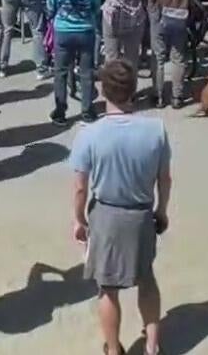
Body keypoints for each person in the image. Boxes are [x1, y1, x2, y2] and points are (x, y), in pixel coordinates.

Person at [70, 59, 172, 355]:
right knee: (147, 279)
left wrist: (78, 220)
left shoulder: (89, 134)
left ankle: (114, 349)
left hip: (106, 215)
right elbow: (164, 179)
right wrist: (162, 210)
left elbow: (80, 187)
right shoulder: (156, 130)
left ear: (103, 90)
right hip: (141, 213)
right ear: (133, 90)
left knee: (107, 287)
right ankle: (152, 346)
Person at [49, 0, 102, 124]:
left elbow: (51, 5)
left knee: (61, 71)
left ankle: (60, 110)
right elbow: (96, 7)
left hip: (63, 30)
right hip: (86, 30)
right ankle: (87, 111)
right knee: (86, 72)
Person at [144, 0, 197, 108]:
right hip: (181, 18)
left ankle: (158, 96)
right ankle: (177, 96)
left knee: (158, 58)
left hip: (160, 17)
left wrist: (154, 16)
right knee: (178, 57)